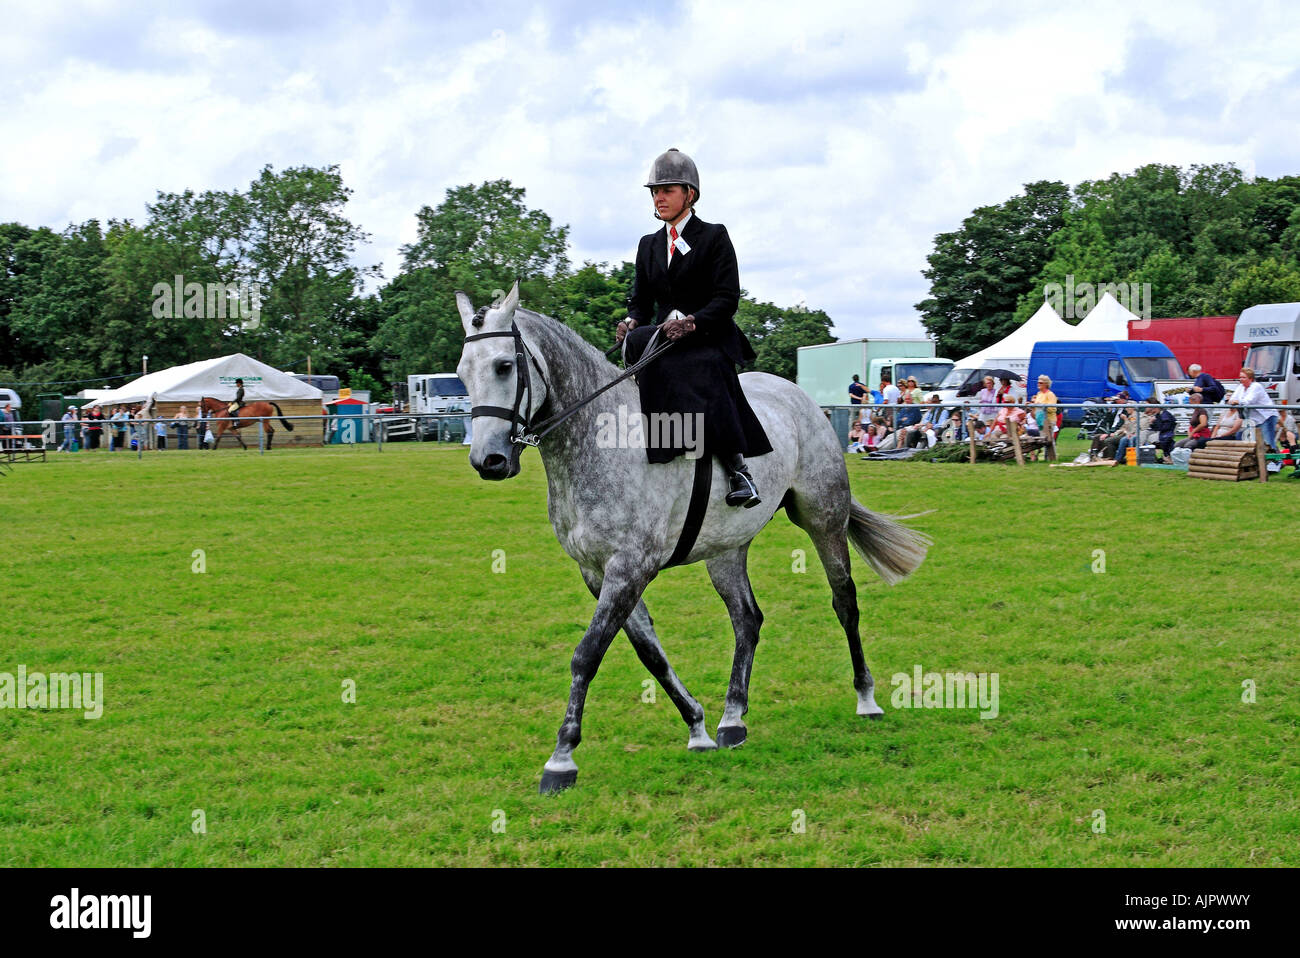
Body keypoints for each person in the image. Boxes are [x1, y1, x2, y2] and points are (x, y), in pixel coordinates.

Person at [618, 148, 772, 507]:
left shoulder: (714, 236)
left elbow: (726, 298)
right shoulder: (648, 245)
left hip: (707, 334)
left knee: (705, 366)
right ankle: (660, 448)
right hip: (663, 337)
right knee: (637, 343)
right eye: (655, 191)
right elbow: (640, 301)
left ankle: (739, 471)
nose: (659, 197)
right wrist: (631, 321)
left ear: (689, 194)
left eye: (667, 190)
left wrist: (693, 323)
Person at [1227, 367, 1278, 450]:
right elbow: (1231, 399)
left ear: (1250, 379)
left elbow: (1248, 401)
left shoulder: (1256, 386)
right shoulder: (1240, 387)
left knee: (1268, 442)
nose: (1241, 379)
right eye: (1240, 377)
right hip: (1251, 418)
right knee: (1243, 439)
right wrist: (1234, 401)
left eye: (1243, 377)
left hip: (1266, 417)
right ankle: (1253, 461)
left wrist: (1237, 401)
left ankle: (1276, 462)